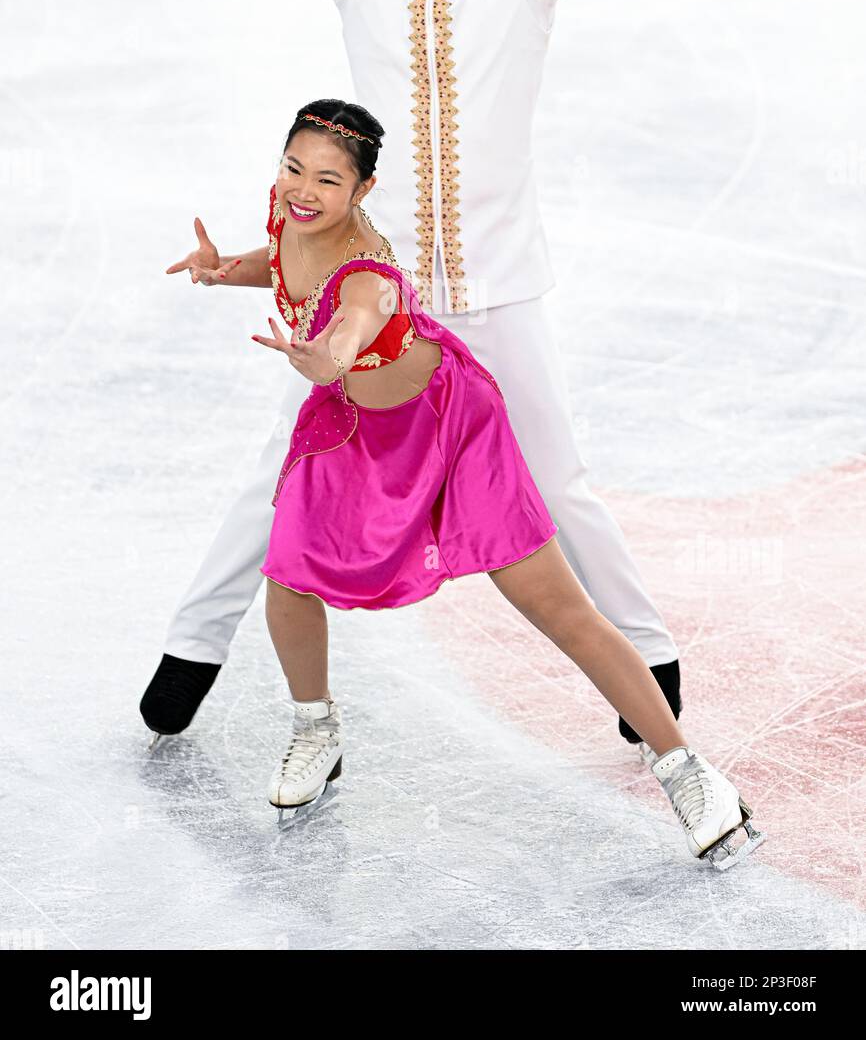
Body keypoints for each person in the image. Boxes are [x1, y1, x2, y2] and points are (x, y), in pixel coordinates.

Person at [132, 0, 718, 756]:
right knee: (285, 461)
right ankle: (192, 647)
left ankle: (644, 653)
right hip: (376, 301)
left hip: (500, 288)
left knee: (555, 473)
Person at [181, 98, 763, 867]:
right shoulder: (293, 217)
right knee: (288, 576)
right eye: (294, 168)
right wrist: (226, 272)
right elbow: (285, 266)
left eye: (328, 180)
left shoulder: (370, 275)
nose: (303, 190)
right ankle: (315, 731)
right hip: (357, 436)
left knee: (556, 606)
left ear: (364, 191)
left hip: (451, 433)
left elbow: (350, 324)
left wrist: (326, 359)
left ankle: (689, 774)